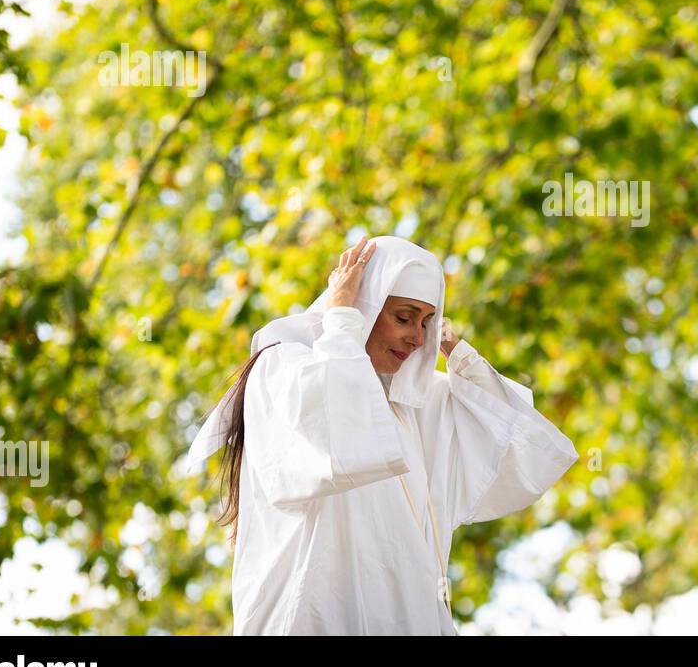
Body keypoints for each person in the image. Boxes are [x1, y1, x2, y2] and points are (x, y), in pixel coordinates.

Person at [181, 234, 580, 634]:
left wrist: (460, 356)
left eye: (427, 321)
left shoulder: (412, 405)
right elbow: (335, 436)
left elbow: (519, 442)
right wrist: (340, 318)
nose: (417, 337)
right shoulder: (283, 366)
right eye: (404, 317)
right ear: (364, 307)